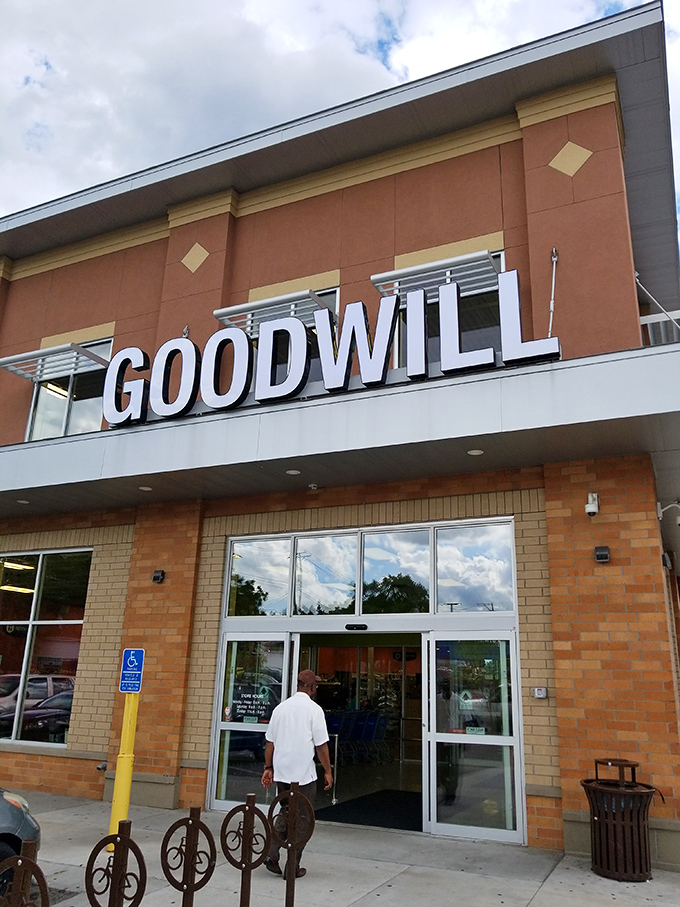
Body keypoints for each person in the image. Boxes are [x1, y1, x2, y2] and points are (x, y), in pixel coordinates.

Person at [261, 668, 333, 879]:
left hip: (282, 773)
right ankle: (292, 866)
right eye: (316, 685)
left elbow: (270, 744)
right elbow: (321, 746)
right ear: (311, 688)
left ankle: (272, 854)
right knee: (303, 820)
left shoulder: (280, 709)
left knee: (285, 812)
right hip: (303, 776)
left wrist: (268, 768)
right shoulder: (314, 710)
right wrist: (328, 771)